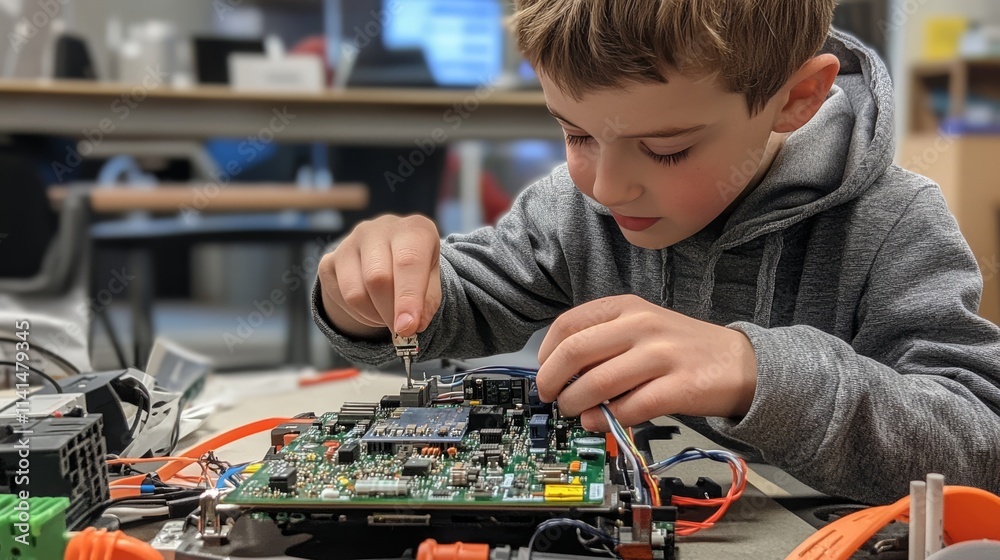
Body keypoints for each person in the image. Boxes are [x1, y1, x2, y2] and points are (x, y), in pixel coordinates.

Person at [311, 0, 1000, 504]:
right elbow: (463, 298)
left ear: (795, 98)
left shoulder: (894, 222)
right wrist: (366, 297)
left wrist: (759, 373)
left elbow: (979, 444)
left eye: (668, 148)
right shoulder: (573, 209)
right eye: (575, 134)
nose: (606, 187)